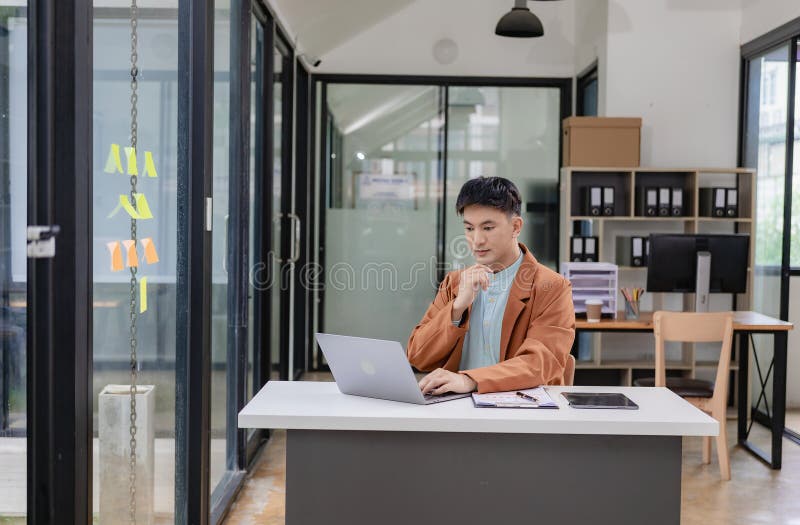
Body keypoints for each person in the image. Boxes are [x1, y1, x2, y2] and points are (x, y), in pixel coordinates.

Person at [407, 176, 575, 395]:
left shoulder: (552, 287)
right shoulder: (455, 283)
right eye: (469, 228)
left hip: (521, 412)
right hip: (456, 410)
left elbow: (539, 363)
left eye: (487, 228)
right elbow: (419, 356)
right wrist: (457, 308)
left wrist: (470, 380)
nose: (477, 240)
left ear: (516, 227)